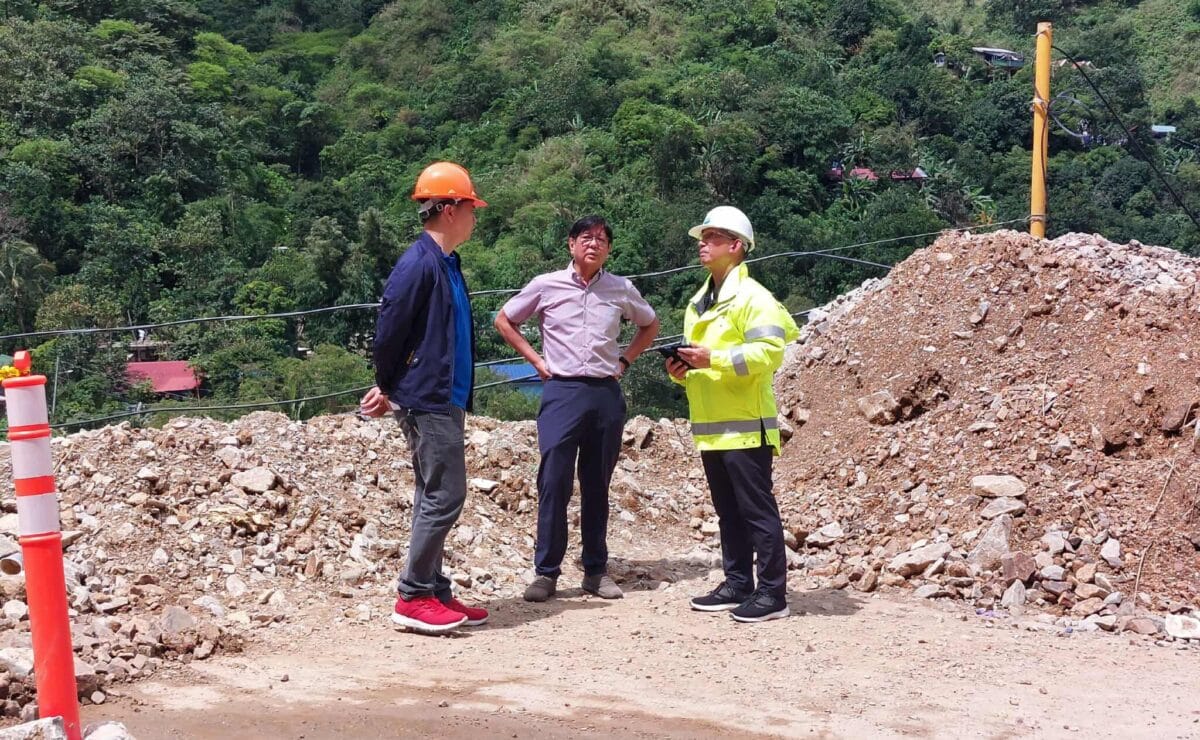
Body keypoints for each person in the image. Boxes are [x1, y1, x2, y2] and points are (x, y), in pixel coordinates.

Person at [494, 216, 660, 602]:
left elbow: (650, 325)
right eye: (586, 238)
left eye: (602, 239)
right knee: (553, 481)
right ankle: (546, 572)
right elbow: (505, 320)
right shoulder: (546, 285)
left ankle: (595, 571)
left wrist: (626, 362)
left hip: (605, 392)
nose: (594, 244)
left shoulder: (620, 289)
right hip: (561, 390)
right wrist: (536, 362)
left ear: (609, 249)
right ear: (571, 244)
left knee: (597, 484)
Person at [359, 161, 490, 635]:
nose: (476, 216)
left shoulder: (445, 263)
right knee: (445, 494)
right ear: (451, 209)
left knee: (432, 494)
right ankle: (413, 595)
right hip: (428, 398)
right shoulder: (418, 263)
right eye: (472, 207)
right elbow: (390, 328)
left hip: (442, 395)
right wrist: (390, 386)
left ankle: (433, 589)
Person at [665, 206, 799, 623]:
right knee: (728, 513)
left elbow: (770, 353)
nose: (703, 244)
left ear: (736, 246)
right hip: (712, 427)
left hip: (745, 425)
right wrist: (681, 373)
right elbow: (703, 364)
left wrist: (713, 358)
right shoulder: (699, 302)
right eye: (703, 237)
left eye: (713, 237)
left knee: (757, 512)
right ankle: (738, 583)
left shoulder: (754, 298)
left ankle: (773, 594)